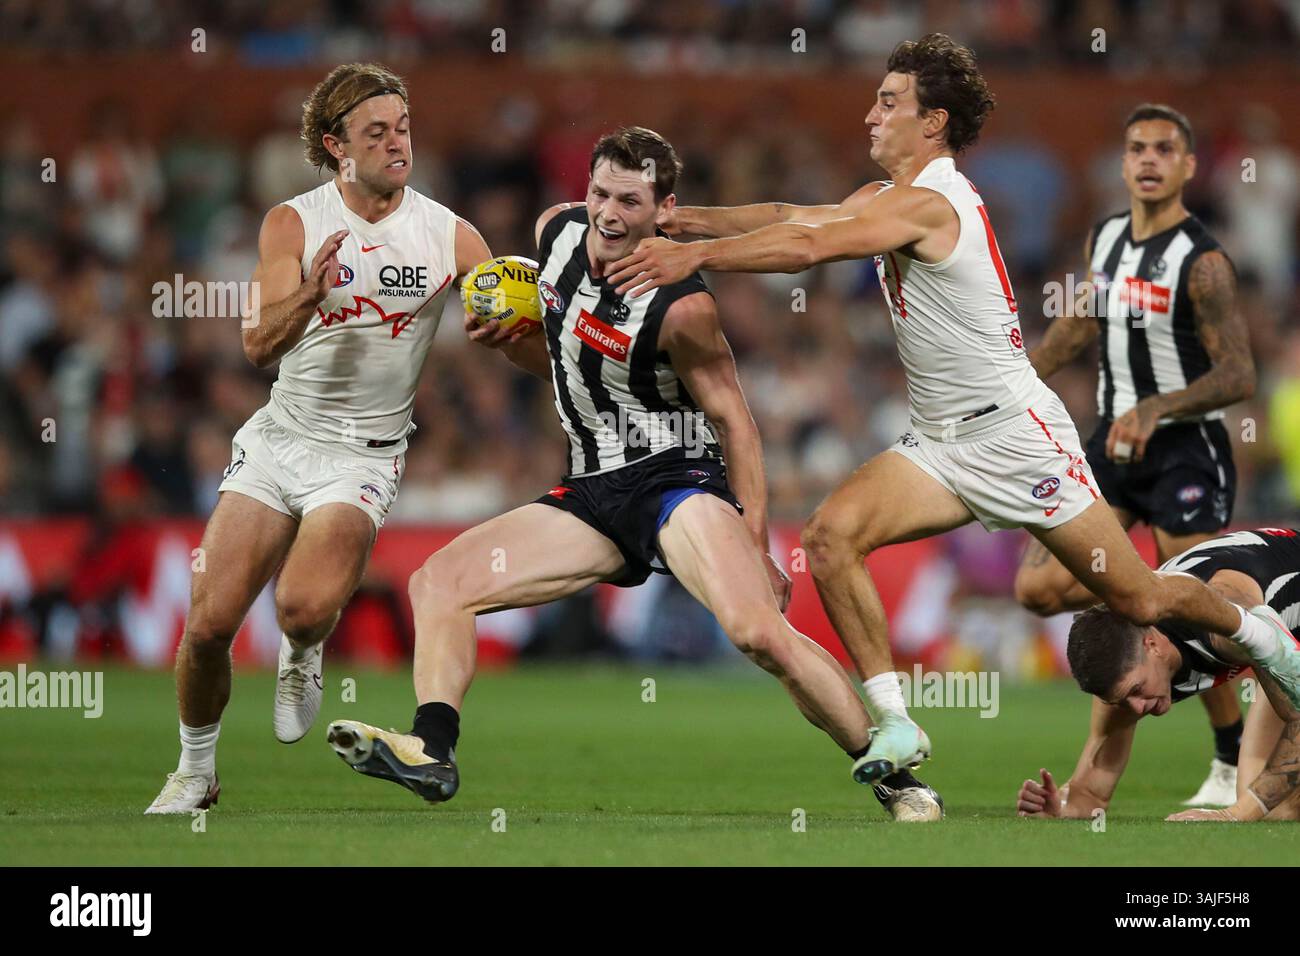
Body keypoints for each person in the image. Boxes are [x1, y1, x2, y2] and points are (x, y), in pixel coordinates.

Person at [600, 34, 1299, 786]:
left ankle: (1265, 641)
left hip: (1016, 437)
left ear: (933, 122)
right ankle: (896, 723)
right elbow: (792, 214)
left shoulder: (934, 204)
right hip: (940, 445)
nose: (870, 116)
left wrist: (694, 257)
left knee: (1139, 594)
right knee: (831, 537)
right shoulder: (885, 199)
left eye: (888, 103)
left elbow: (808, 247)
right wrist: (688, 220)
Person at [325, 127, 943, 823]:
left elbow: (735, 420)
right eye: (600, 194)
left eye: (629, 201)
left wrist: (755, 538)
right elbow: (564, 365)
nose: (610, 214)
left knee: (756, 632)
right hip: (594, 490)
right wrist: (509, 346)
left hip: (676, 481)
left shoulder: (684, 307)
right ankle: (431, 749)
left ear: (664, 210)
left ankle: (898, 778)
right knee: (438, 582)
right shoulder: (555, 235)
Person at [145, 63, 493, 813]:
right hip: (280, 438)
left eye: (403, 128)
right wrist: (311, 292)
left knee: (301, 608)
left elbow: (514, 332)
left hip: (361, 457)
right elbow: (257, 344)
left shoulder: (450, 235)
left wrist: (512, 323)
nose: (398, 144)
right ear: (337, 146)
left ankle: (302, 651)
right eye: (378, 133)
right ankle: (195, 773)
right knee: (207, 625)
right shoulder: (293, 223)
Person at [1015, 104, 1256, 807]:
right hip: (1112, 446)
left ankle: (1230, 755)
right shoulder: (1106, 239)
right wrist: (1012, 383)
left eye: (1164, 149)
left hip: (1185, 448)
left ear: (1187, 166)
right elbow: (1079, 325)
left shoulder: (1204, 263)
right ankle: (1139, 582)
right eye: (1137, 148)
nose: (1149, 159)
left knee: (1194, 611)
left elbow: (1239, 373)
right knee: (1036, 590)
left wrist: (1159, 407)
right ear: (1122, 164)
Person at [1016, 528, 1300, 823]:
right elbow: (1091, 794)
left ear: (1152, 645)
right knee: (1272, 808)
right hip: (1286, 644)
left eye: (1136, 689)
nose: (1137, 708)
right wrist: (1062, 807)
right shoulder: (1123, 678)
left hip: (1278, 637)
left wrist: (1233, 815)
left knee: (1269, 805)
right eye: (1123, 701)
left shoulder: (1226, 626)